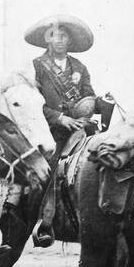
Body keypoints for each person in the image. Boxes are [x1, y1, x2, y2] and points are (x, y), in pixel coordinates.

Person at [28, 14, 99, 247]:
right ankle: (43, 221)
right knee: (49, 168)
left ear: (70, 40)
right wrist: (60, 118)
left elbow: (89, 93)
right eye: (54, 35)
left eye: (64, 36)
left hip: (79, 128)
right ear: (47, 39)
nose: (59, 40)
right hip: (49, 129)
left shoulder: (80, 67)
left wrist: (87, 109)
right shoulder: (37, 67)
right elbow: (33, 102)